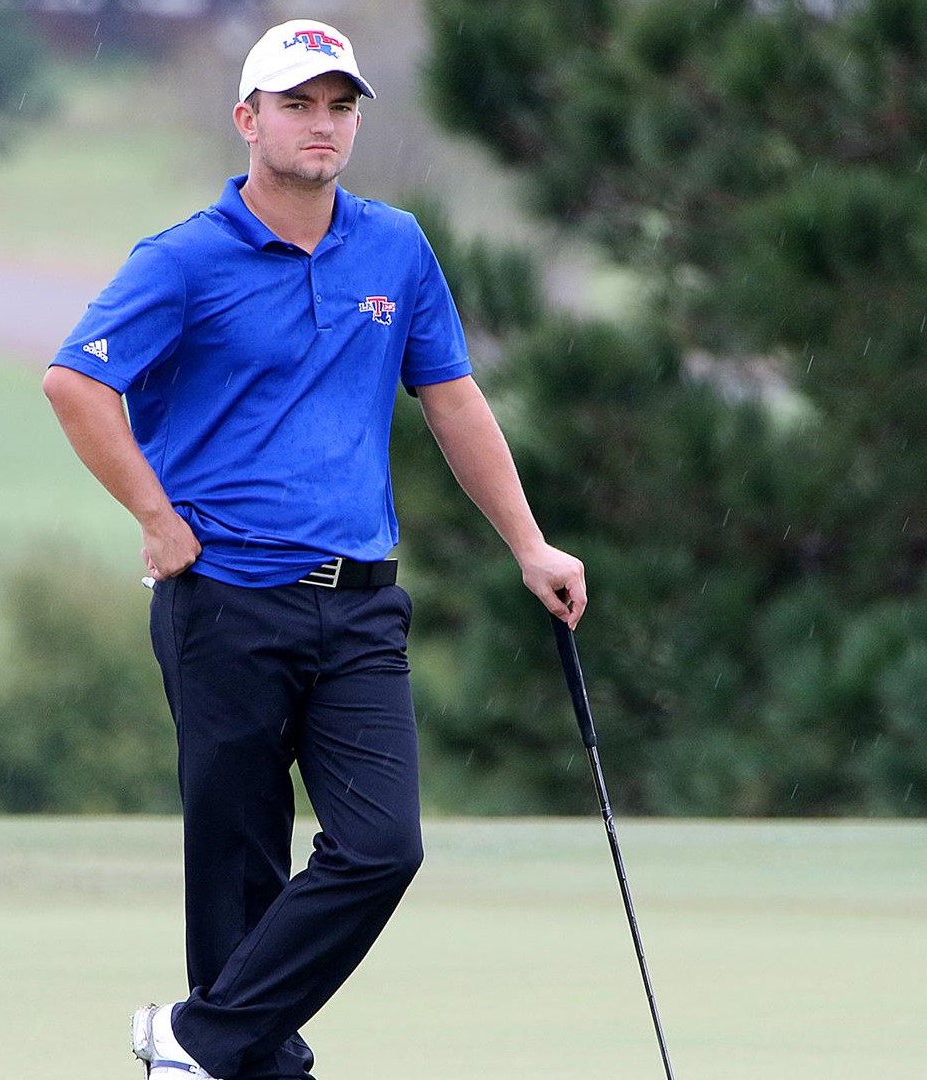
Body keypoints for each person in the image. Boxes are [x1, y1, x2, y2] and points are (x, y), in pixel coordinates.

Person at [43, 18, 586, 1080]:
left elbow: (452, 397)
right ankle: (247, 1059)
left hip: (361, 607)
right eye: (298, 104)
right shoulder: (185, 259)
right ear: (248, 120)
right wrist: (157, 519)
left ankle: (192, 1042)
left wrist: (529, 544)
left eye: (340, 106)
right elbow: (76, 382)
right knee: (238, 878)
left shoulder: (396, 247)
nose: (323, 124)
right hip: (224, 605)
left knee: (383, 845)